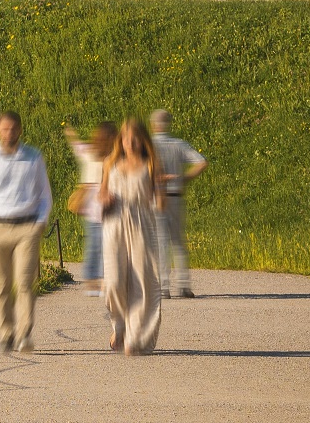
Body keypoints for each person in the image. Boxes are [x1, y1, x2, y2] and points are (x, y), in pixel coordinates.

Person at [0, 111, 54, 351]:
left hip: (27, 227)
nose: (9, 133)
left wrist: (40, 221)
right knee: (3, 284)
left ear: (20, 130)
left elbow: (44, 194)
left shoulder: (33, 158)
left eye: (13, 128)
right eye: (5, 129)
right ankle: (6, 334)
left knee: (25, 282)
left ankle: (24, 334)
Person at [100, 120, 167, 355]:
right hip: (115, 225)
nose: (131, 142)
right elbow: (101, 193)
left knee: (142, 281)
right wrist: (104, 198)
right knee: (114, 281)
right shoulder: (111, 163)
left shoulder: (152, 165)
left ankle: (136, 336)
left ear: (143, 140)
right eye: (127, 138)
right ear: (121, 140)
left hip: (142, 225)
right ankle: (118, 326)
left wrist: (161, 188)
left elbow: (160, 204)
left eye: (136, 138)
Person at [149, 112, 208, 300]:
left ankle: (163, 287)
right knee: (178, 241)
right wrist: (184, 178)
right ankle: (183, 286)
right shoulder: (178, 144)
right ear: (168, 124)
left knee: (160, 242)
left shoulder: (148, 144)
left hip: (156, 196)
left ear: (153, 124)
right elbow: (201, 162)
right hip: (176, 194)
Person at [65, 121, 114, 287]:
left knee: (94, 242)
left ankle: (92, 277)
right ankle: (100, 277)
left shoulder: (89, 151)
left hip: (90, 199)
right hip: (106, 196)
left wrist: (69, 131)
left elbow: (76, 145)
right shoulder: (113, 156)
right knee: (104, 241)